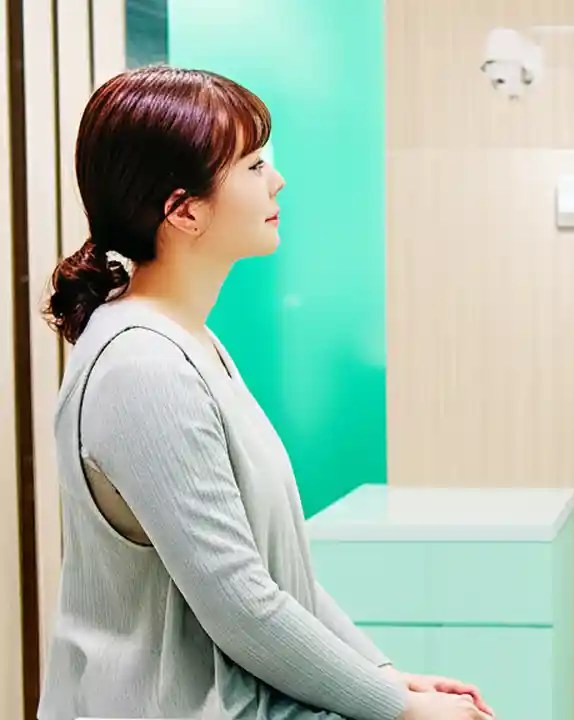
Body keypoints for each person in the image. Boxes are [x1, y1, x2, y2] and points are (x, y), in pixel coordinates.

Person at [37, 65, 495, 720]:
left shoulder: (187, 342)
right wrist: (402, 711)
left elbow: (280, 583)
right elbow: (245, 606)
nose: (276, 180)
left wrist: (389, 678)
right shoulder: (144, 367)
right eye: (253, 166)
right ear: (184, 209)